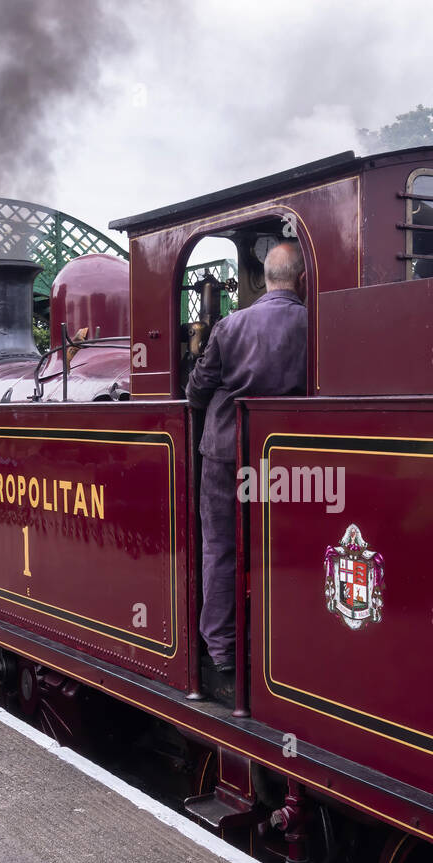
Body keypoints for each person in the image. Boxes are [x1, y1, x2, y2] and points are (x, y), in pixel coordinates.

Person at [186, 240, 307, 700]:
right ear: (300, 278)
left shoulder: (230, 325)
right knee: (283, 551)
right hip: (289, 458)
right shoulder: (314, 324)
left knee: (220, 548)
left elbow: (198, 389)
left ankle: (221, 649)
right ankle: (280, 643)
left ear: (266, 276)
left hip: (224, 453)